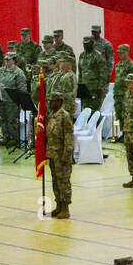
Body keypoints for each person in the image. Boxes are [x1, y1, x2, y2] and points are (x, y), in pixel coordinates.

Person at [46, 91, 74, 219]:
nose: (49, 103)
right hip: (52, 154)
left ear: (59, 102)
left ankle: (65, 208)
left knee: (63, 182)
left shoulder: (64, 116)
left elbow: (69, 138)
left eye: (52, 101)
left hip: (62, 155)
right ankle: (58, 205)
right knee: (55, 181)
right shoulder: (52, 116)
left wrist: (66, 156)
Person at [0, 51, 27, 146]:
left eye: (9, 60)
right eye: (6, 60)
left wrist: (21, 102)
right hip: (1, 99)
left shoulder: (18, 73)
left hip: (12, 101)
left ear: (14, 60)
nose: (7, 62)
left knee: (12, 120)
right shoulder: (0, 70)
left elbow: (22, 89)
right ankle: (6, 136)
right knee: (3, 119)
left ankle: (14, 138)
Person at [113, 44, 133, 132]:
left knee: (126, 115)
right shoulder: (118, 65)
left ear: (127, 52)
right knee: (118, 114)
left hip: (127, 95)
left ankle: (127, 133)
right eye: (118, 53)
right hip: (118, 94)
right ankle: (122, 133)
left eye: (122, 53)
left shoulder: (132, 65)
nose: (119, 54)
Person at [78, 36, 109, 113]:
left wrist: (100, 88)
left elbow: (103, 73)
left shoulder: (98, 56)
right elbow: (80, 72)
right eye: (84, 44)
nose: (85, 46)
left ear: (92, 43)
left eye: (87, 44)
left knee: (94, 112)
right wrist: (80, 86)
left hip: (95, 89)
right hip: (85, 89)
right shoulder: (82, 55)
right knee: (85, 111)